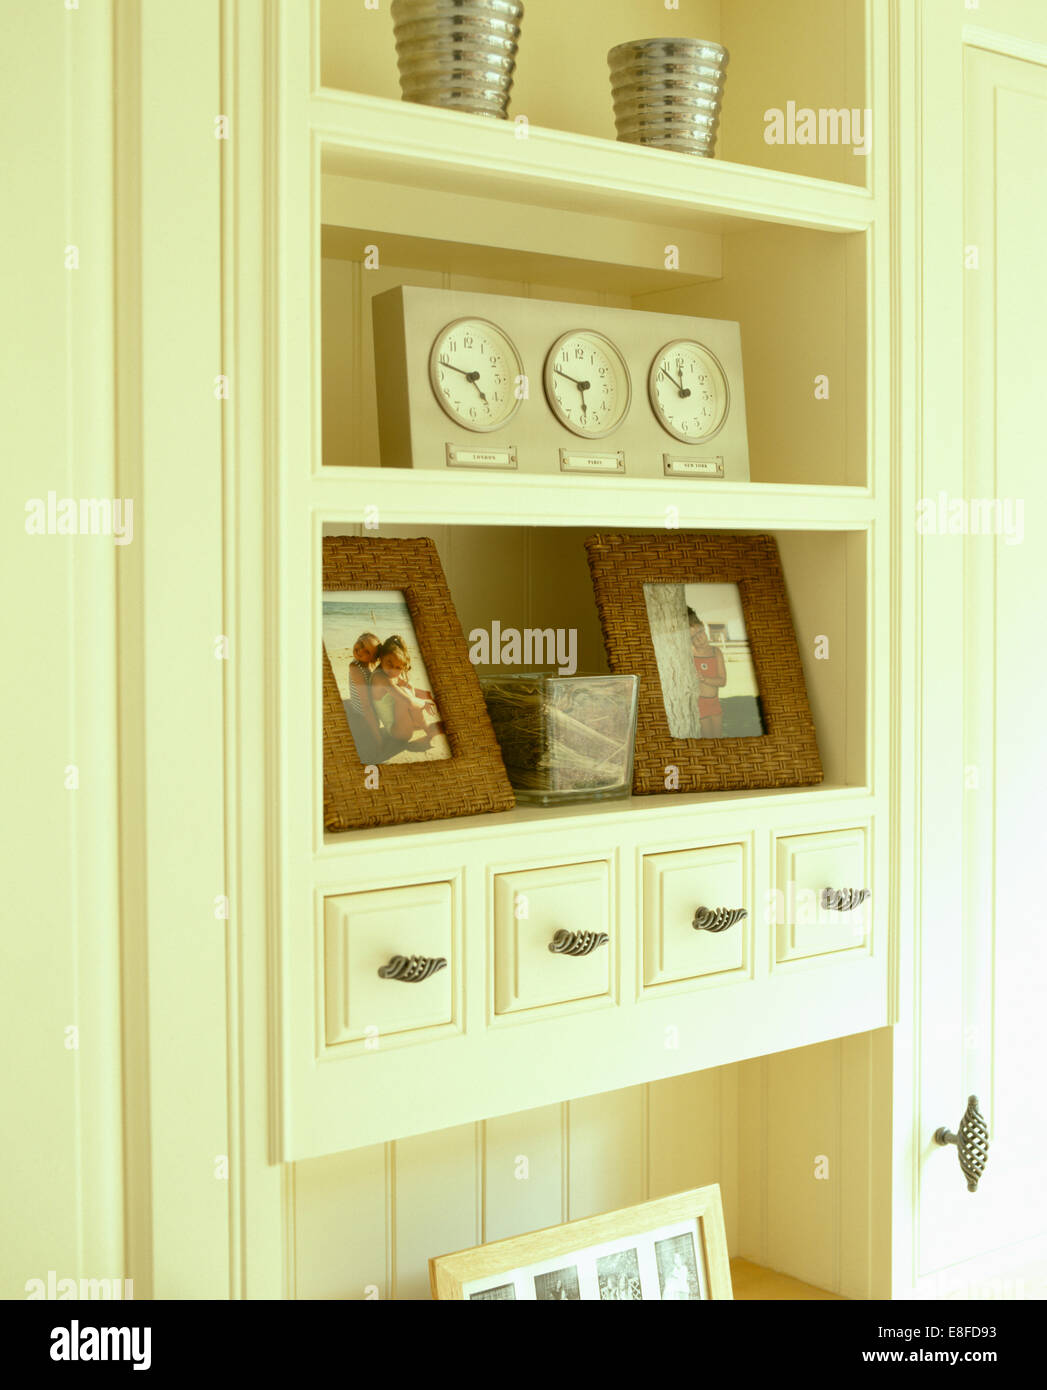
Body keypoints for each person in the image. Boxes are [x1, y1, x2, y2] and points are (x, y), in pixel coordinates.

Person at [369, 635, 441, 756]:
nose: (393, 670)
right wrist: (424, 703)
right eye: (389, 663)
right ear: (382, 657)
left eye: (398, 667)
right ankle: (427, 728)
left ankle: (422, 725)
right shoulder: (380, 678)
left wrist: (431, 696)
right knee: (405, 696)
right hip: (397, 732)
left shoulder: (392, 675)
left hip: (404, 721)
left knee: (408, 688)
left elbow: (412, 692)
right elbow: (408, 702)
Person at [344, 632, 383, 764]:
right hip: (363, 711)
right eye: (360, 644)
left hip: (372, 707)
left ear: (373, 659)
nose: (360, 650)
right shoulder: (355, 667)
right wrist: (378, 737)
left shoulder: (371, 666)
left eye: (367, 651)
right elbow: (365, 705)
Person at [688, 609, 726, 738]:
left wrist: (704, 679)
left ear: (704, 628)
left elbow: (722, 681)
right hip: (700, 704)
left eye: (700, 632)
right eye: (693, 637)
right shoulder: (689, 656)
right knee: (708, 738)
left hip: (715, 702)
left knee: (718, 738)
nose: (699, 638)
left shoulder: (716, 652)